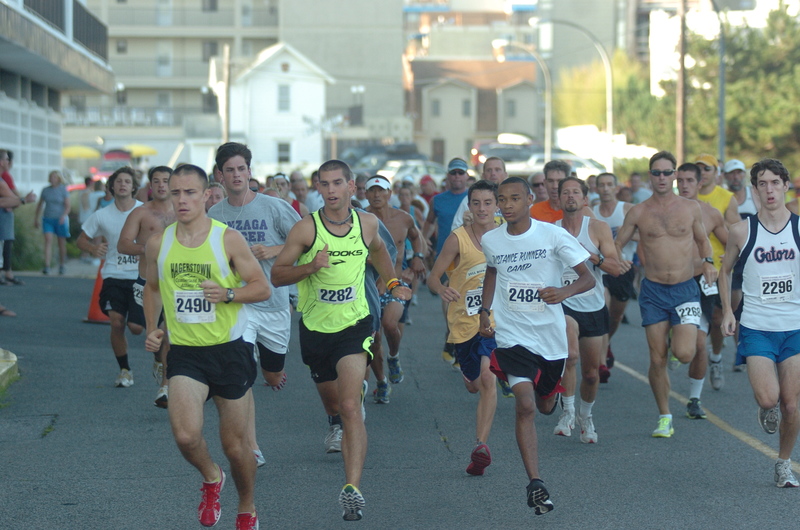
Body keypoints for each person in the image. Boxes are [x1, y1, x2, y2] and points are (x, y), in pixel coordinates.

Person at [271, 159, 410, 522]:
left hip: (355, 325)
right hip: (316, 329)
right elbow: (277, 274)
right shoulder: (306, 229)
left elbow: (379, 250)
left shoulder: (366, 223)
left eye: (337, 183)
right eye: (324, 184)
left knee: (350, 408)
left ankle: (353, 488)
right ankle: (341, 412)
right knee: (334, 407)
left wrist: (392, 283)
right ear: (319, 188)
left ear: (352, 186)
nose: (331, 190)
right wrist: (310, 267)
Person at [143, 164, 270, 529]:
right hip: (185, 353)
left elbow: (261, 287)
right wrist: (153, 329)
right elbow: (152, 288)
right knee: (185, 434)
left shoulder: (226, 239)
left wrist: (229, 294)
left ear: (205, 195)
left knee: (236, 448)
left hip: (229, 351)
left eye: (189, 193)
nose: (181, 200)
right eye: (175, 193)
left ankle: (246, 506)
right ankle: (212, 478)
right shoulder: (159, 243)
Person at [479, 176, 595, 513]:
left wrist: (563, 292)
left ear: (530, 199)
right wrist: (485, 311)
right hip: (513, 336)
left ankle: (554, 395)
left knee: (544, 406)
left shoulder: (553, 235)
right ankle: (535, 483)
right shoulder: (492, 240)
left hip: (551, 338)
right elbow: (492, 272)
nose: (507, 204)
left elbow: (587, 277)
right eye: (502, 199)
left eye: (515, 198)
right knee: (526, 405)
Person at [208, 142, 301, 467]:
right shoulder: (214, 215)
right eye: (229, 170)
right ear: (220, 175)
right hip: (236, 306)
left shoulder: (273, 206)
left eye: (241, 169)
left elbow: (307, 241)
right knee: (240, 376)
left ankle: (275, 371)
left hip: (272, 303)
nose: (236, 175)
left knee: (271, 376)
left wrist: (274, 250)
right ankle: (252, 446)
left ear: (250, 171)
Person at [614, 151, 717, 437]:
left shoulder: (690, 208)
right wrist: (616, 260)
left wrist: (708, 262)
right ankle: (664, 415)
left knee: (685, 353)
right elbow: (616, 243)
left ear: (674, 175)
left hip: (685, 289)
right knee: (657, 358)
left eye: (667, 172)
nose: (662, 177)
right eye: (656, 173)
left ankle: (677, 337)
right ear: (650, 176)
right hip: (654, 291)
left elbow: (703, 241)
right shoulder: (638, 211)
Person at [720, 158, 800, 488]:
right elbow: (724, 271)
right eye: (762, 184)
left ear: (786, 187)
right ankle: (766, 408)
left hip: (794, 326)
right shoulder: (742, 231)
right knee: (769, 400)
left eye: (775, 183)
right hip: (756, 326)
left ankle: (784, 463)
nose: (769, 190)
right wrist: (727, 311)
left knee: (792, 404)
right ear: (754, 190)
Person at [428, 180, 500, 474]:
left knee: (488, 377)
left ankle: (480, 445)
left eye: (488, 203)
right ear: (469, 207)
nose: (482, 208)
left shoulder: (505, 234)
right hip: (463, 322)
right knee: (473, 384)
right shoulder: (457, 239)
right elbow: (433, 278)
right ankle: (468, 377)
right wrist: (442, 289)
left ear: (496, 205)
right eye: (477, 203)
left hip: (494, 320)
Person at [553, 177, 621, 443]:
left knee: (591, 374)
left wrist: (588, 255)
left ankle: (586, 417)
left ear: (584, 200)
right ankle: (567, 414)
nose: (570, 196)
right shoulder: (551, 230)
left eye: (576, 193)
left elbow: (615, 268)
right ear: (558, 199)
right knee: (571, 356)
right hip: (564, 303)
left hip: (593, 305)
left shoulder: (598, 228)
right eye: (565, 192)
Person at [76, 167, 145, 387]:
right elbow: (81, 239)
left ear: (134, 187)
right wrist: (92, 249)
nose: (123, 184)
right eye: (119, 182)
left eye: (127, 181)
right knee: (116, 323)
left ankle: (158, 361)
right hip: (113, 275)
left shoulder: (144, 211)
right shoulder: (102, 214)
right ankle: (124, 370)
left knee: (136, 328)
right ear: (112, 187)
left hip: (140, 276)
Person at [118, 166, 175, 408]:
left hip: (175, 283)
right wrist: (150, 250)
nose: (162, 185)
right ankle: (159, 361)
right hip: (147, 282)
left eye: (166, 181)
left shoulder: (184, 211)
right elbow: (122, 244)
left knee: (169, 332)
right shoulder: (140, 213)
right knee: (152, 334)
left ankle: (166, 386)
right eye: (157, 181)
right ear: (150, 185)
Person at [364, 176, 425, 402]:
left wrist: (417, 257)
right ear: (366, 194)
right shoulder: (361, 219)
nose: (377, 195)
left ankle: (394, 356)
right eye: (372, 191)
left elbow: (416, 237)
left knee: (390, 324)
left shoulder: (404, 218)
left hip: (395, 284)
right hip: (368, 286)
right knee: (373, 339)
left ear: (390, 193)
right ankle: (381, 382)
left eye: (381, 191)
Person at [675, 163, 729, 415]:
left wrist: (724, 268)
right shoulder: (664, 211)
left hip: (700, 283)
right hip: (670, 282)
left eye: (689, 180)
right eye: (680, 180)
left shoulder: (711, 213)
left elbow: (734, 244)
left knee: (698, 344)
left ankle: (694, 399)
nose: (684, 185)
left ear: (699, 184)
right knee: (680, 347)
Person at [696, 154, 740, 381]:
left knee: (716, 317)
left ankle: (715, 357)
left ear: (716, 173)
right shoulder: (684, 197)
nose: (702, 172)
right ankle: (678, 343)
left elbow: (737, 228)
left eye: (707, 168)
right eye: (699, 168)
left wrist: (731, 244)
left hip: (719, 265)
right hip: (689, 266)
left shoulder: (726, 197)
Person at [423, 158, 470, 365]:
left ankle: (460, 337)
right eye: (453, 173)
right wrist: (423, 243)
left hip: (470, 256)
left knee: (467, 299)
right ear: (448, 176)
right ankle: (452, 330)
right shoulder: (438, 200)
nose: (457, 177)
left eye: (461, 173)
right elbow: (429, 222)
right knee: (447, 296)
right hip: (445, 256)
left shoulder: (475, 198)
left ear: (467, 176)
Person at [593, 172, 636, 382]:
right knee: (603, 308)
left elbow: (646, 234)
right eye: (602, 185)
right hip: (600, 269)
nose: (606, 188)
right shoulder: (591, 212)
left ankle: (606, 342)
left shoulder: (626, 209)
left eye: (610, 184)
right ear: (596, 188)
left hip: (624, 268)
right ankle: (601, 362)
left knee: (616, 316)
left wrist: (625, 233)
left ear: (616, 187)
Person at [0, 149, 35, 285]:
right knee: (5, 245)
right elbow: (6, 200)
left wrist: (20, 200)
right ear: (1, 162)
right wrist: (23, 200)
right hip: (3, 219)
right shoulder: (3, 181)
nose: (9, 162)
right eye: (7, 159)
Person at [451, 156, 507, 231]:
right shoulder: (471, 199)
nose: (493, 173)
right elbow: (454, 232)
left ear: (505, 174)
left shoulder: (513, 200)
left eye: (497, 170)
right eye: (489, 170)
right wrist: (465, 225)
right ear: (483, 175)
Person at [34, 171, 71, 275]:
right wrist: (36, 218)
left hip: (60, 219)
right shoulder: (45, 190)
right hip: (48, 218)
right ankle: (47, 265)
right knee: (48, 240)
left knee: (61, 243)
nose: (52, 179)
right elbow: (40, 204)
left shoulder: (63, 190)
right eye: (51, 177)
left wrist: (63, 216)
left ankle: (62, 264)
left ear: (58, 178)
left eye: (54, 177)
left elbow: (68, 206)